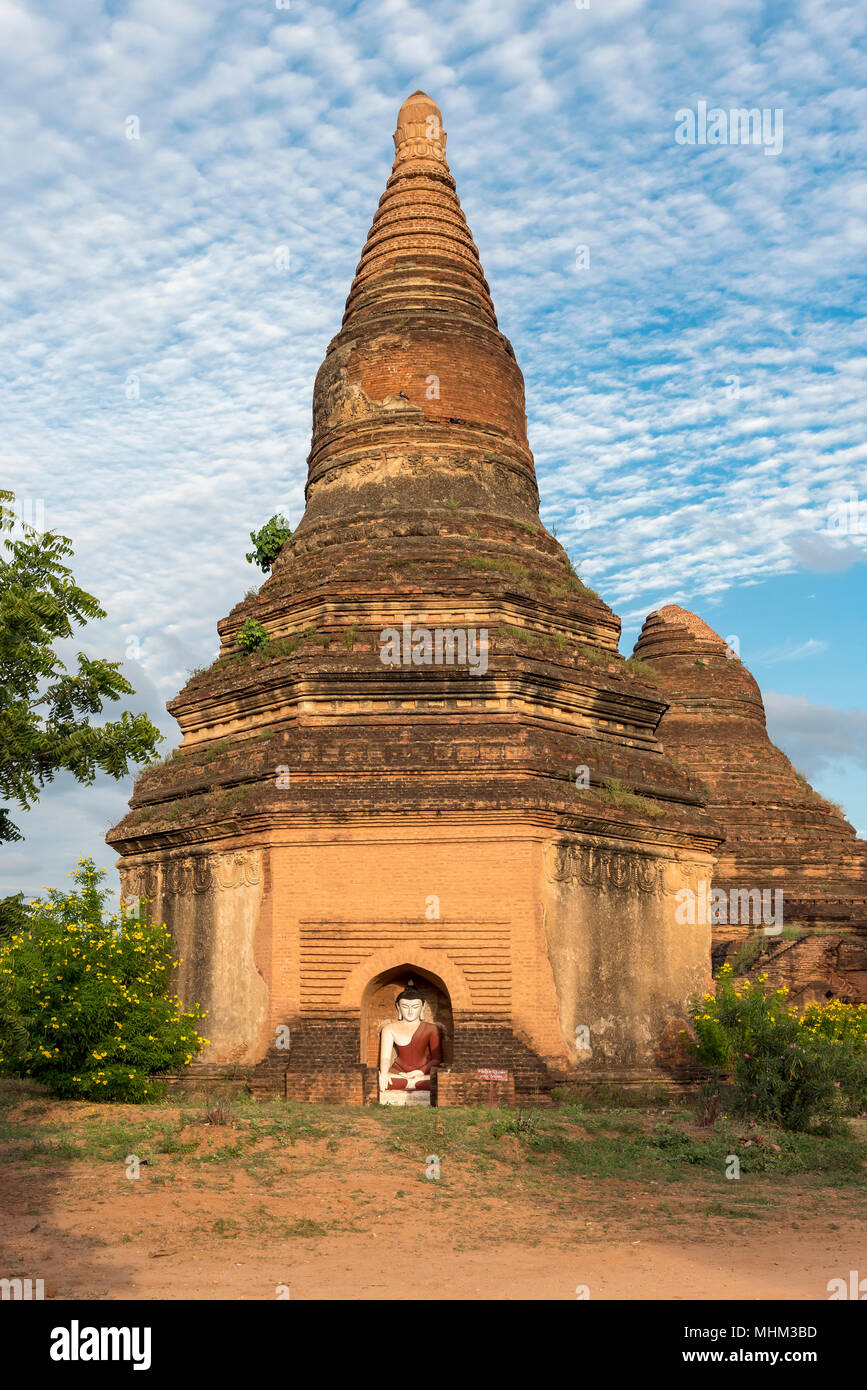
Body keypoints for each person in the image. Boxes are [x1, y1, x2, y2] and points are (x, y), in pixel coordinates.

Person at [378, 981, 442, 1094]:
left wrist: (420, 1072)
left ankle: (412, 1082)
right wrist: (384, 1073)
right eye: (405, 1006)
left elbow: (437, 1059)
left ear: (422, 1008)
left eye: (415, 1006)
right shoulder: (389, 1028)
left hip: (423, 1074)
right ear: (398, 1007)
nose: (410, 1011)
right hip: (398, 1073)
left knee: (439, 1081)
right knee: (381, 1080)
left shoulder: (431, 1029)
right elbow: (385, 1058)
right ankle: (412, 1083)